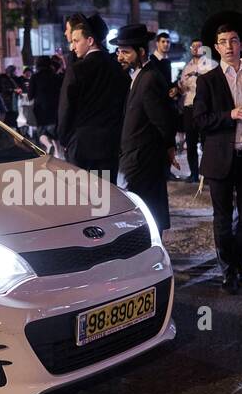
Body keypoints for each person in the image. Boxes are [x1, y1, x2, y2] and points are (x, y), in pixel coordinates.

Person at [194, 11, 242, 293]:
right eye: (223, 42)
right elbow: (199, 119)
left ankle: (237, 264)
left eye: (233, 41)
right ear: (217, 46)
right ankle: (229, 270)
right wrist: (229, 114)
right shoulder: (207, 80)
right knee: (222, 217)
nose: (229, 46)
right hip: (220, 157)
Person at [112, 23, 177, 232]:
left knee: (147, 211)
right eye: (118, 52)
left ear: (140, 52)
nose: (120, 57)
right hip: (138, 158)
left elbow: (162, 121)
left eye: (125, 52)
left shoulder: (149, 78)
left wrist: (169, 148)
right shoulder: (139, 75)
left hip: (145, 160)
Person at [57, 12, 127, 178]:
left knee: (84, 197)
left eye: (76, 41)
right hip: (110, 143)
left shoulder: (77, 70)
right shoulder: (117, 68)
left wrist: (64, 138)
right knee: (106, 195)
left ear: (90, 41)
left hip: (82, 145)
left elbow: (66, 108)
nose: (73, 47)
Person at [176, 38, 214, 183]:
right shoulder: (187, 67)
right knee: (190, 143)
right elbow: (183, 88)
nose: (196, 49)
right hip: (189, 107)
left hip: (204, 107)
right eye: (194, 46)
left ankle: (208, 174)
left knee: (206, 142)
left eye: (199, 46)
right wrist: (179, 87)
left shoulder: (211, 65)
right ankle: (194, 173)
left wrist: (198, 76)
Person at [28, 55, 63, 153]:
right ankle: (58, 154)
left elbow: (30, 95)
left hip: (40, 109)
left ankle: (48, 145)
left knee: (42, 132)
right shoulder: (56, 76)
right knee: (55, 133)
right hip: (55, 108)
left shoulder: (35, 77)